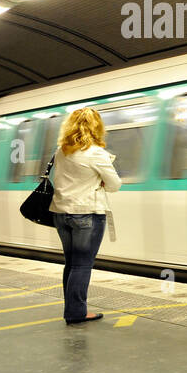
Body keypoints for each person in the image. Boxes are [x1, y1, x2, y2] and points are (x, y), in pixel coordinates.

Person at [49, 107, 121, 325]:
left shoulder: (62, 151)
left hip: (61, 213)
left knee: (71, 264)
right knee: (82, 265)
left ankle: (72, 309)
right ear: (96, 127)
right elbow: (115, 185)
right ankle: (76, 313)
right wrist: (100, 181)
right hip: (86, 215)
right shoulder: (96, 153)